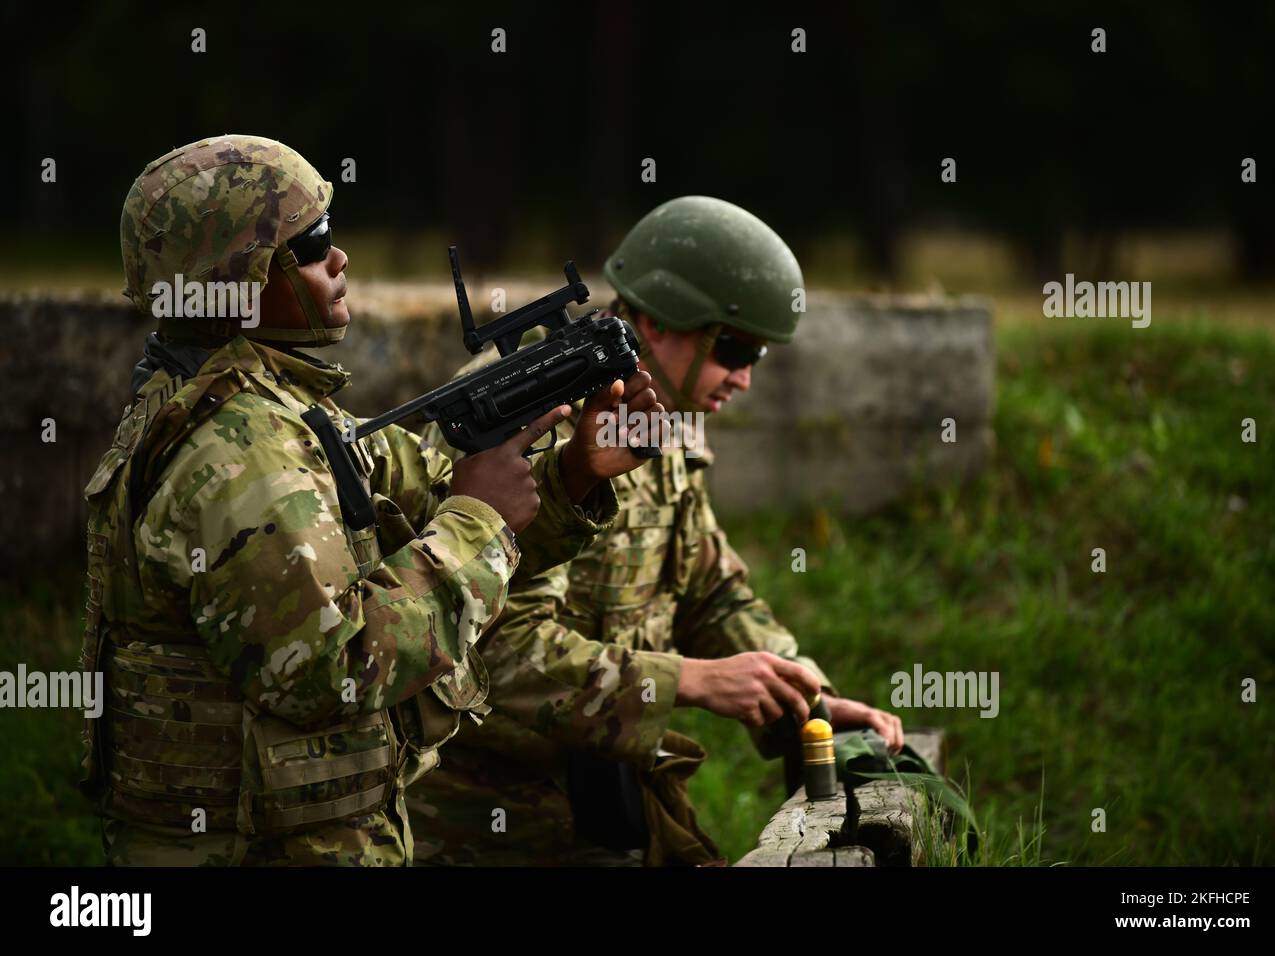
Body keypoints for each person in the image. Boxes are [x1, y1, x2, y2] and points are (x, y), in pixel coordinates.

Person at [79, 134, 659, 865]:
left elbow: (428, 502)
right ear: (241, 280)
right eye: (313, 244)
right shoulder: (239, 451)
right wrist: (477, 525)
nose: (340, 259)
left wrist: (573, 475)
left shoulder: (271, 405)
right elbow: (329, 668)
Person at [408, 195, 903, 866]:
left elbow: (708, 588)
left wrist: (801, 695)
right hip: (490, 827)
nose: (745, 378)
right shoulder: (519, 411)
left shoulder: (659, 411)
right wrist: (687, 681)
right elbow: (484, 650)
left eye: (758, 353)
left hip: (609, 802)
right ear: (654, 321)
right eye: (733, 347)